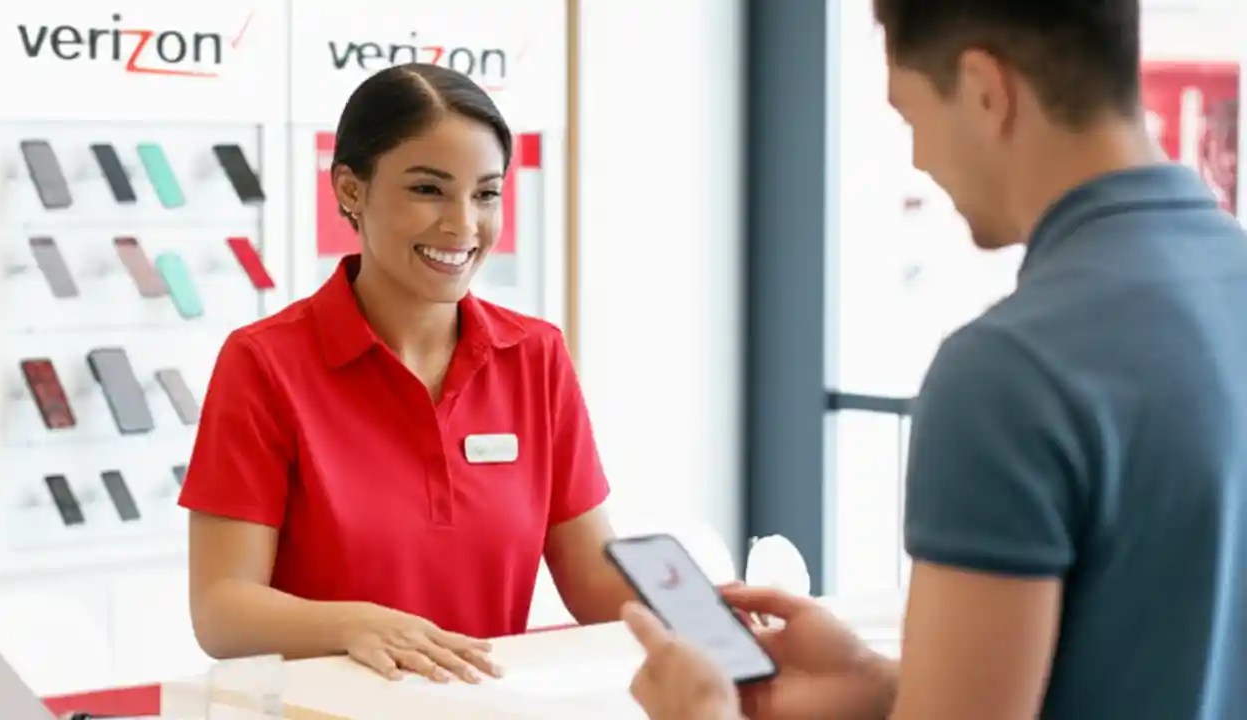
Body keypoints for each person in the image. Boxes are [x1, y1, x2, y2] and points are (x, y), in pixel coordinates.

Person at [623, 1, 1247, 718]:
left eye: (911, 113)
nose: (918, 156)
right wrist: (886, 685)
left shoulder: (1012, 372)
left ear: (986, 90)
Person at [179, 63, 635, 684]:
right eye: (428, 190)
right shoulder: (264, 362)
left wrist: (710, 617)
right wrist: (353, 625)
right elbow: (221, 610)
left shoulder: (536, 355)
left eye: (487, 193)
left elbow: (593, 580)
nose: (463, 224)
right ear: (350, 190)